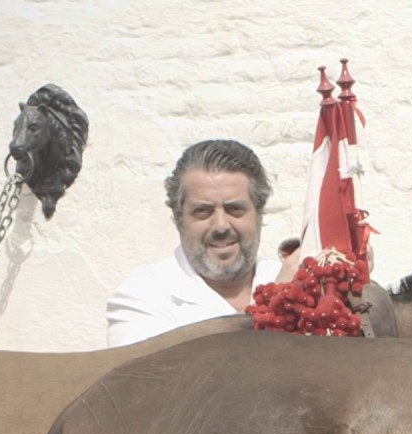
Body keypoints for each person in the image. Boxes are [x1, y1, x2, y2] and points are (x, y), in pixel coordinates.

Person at [106, 139, 296, 347]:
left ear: (259, 214)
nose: (221, 226)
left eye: (235, 209)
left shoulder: (293, 282)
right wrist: (274, 304)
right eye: (203, 211)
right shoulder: (143, 293)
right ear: (179, 219)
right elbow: (152, 376)